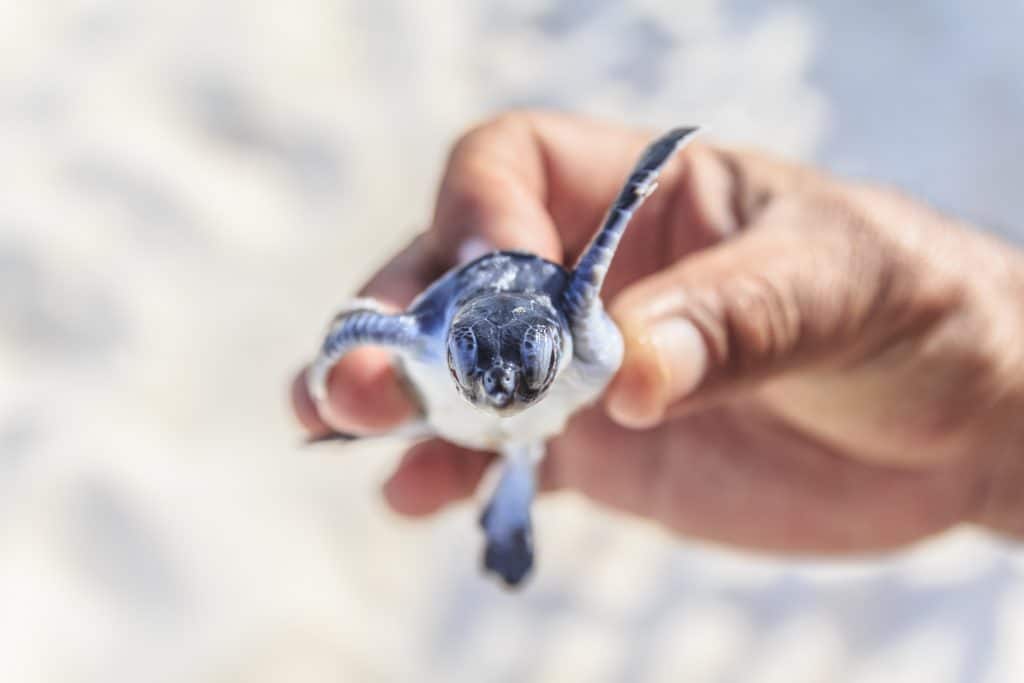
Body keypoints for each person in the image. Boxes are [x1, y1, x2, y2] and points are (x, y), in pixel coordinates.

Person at [291, 110, 1024, 554]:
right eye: (483, 361)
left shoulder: (575, 320)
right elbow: (365, 332)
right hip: (464, 384)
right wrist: (990, 438)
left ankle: (374, 429)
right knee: (368, 386)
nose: (505, 385)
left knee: (399, 400)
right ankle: (360, 423)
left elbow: (607, 240)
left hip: (548, 403)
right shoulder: (440, 332)